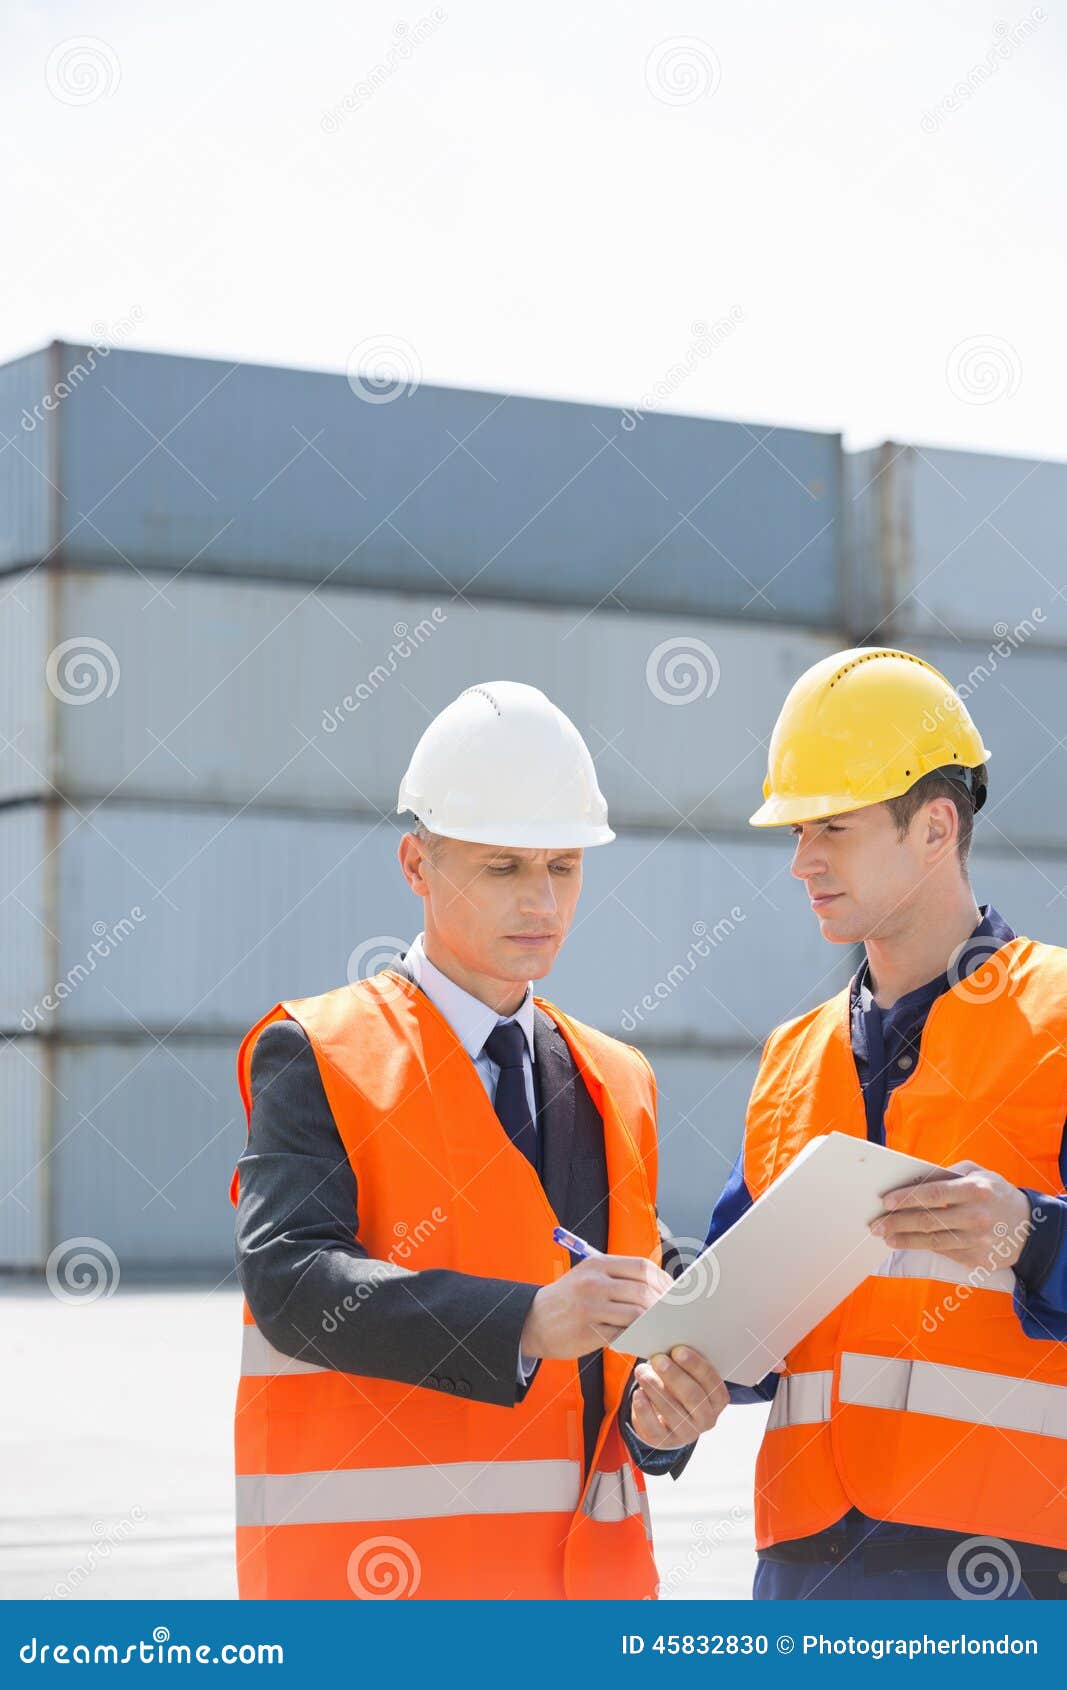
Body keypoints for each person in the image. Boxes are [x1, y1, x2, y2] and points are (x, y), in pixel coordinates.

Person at [229, 680, 724, 1600]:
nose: (541, 900)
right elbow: (290, 1280)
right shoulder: (320, 1050)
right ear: (417, 865)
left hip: (587, 1599)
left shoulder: (621, 1079)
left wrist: (663, 1418)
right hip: (380, 1600)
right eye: (503, 868)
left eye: (562, 867)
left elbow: (611, 1342)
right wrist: (530, 1321)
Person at [691, 645, 1067, 1600]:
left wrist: (1031, 1234)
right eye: (795, 832)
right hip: (805, 1576)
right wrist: (675, 1379)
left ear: (934, 827)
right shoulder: (792, 1056)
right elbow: (743, 1335)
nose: (801, 861)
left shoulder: (1059, 1016)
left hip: (1010, 1577)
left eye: (832, 828)